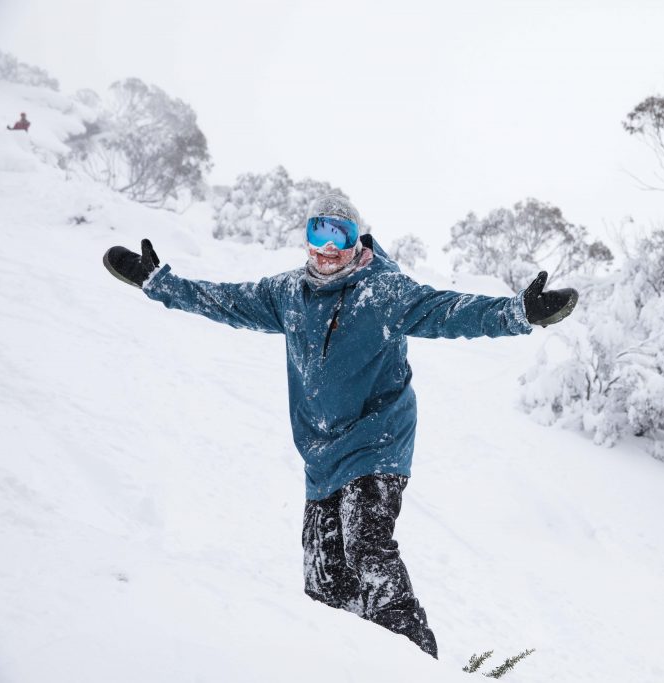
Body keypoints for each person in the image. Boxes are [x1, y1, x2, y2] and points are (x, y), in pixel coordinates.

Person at [102, 193, 578, 658]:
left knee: (366, 542)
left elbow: (450, 311)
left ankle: (414, 660)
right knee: (323, 578)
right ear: (308, 238)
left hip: (377, 443)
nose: (328, 248)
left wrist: (519, 313)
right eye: (318, 233)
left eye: (340, 236)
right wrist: (159, 283)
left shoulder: (383, 292)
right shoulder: (288, 294)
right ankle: (348, 662)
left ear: (357, 242)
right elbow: (224, 301)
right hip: (320, 457)